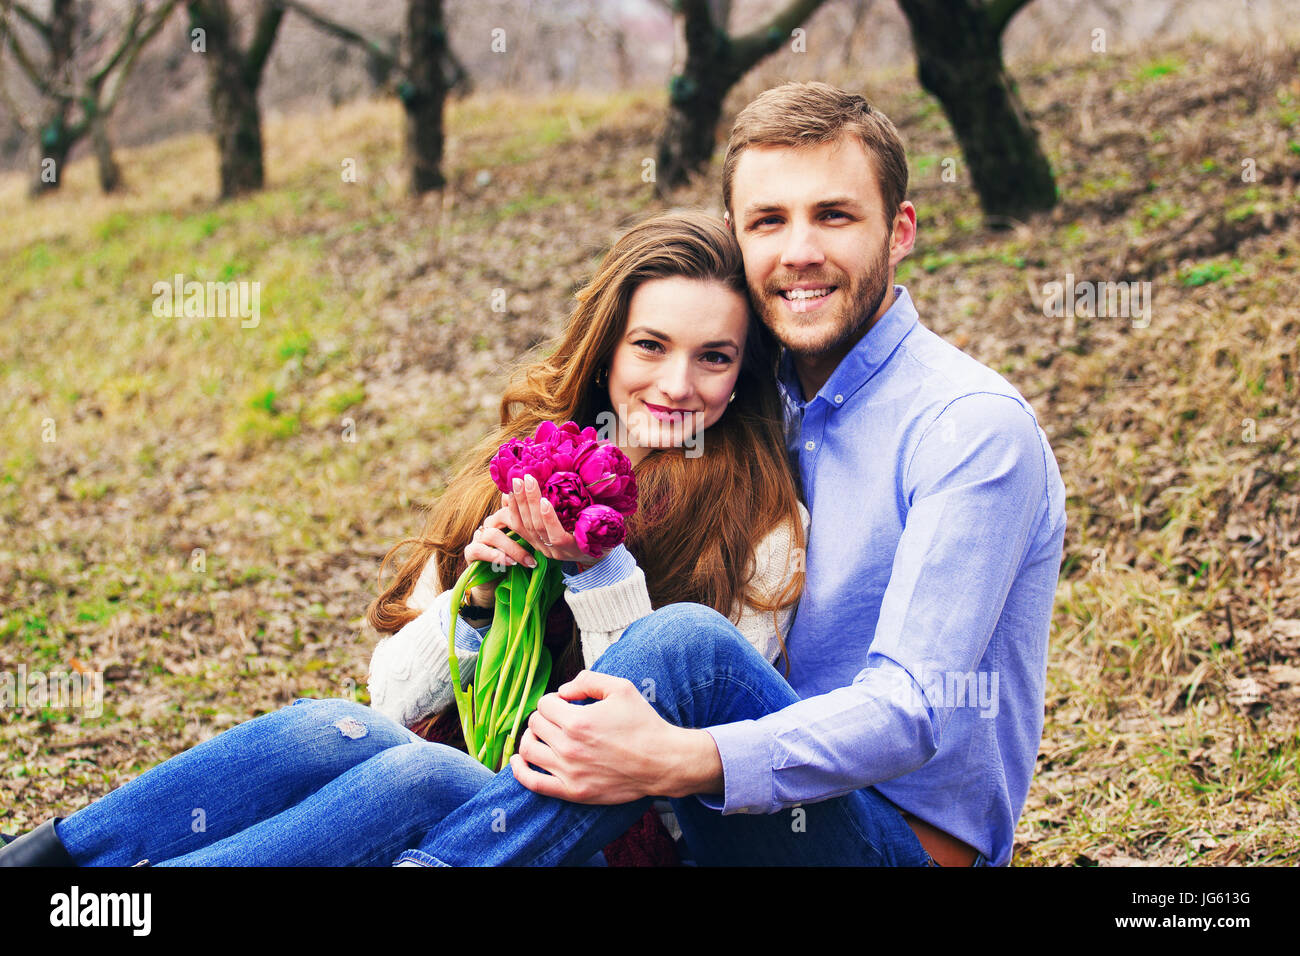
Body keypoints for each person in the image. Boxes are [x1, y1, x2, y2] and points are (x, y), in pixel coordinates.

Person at [385, 81, 1067, 868]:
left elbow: (908, 710)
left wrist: (687, 758)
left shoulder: (970, 428)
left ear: (900, 231)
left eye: (835, 215)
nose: (801, 251)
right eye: (769, 221)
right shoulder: (753, 401)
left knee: (685, 650)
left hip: (897, 845)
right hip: (734, 816)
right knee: (334, 745)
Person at [0, 212, 808, 867]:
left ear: (743, 373)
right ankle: (53, 861)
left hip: (590, 834)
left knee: (423, 773)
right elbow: (391, 695)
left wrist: (599, 573)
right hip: (455, 775)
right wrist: (478, 603)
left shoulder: (764, 524)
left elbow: (656, 761)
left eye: (714, 357)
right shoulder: (528, 461)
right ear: (606, 348)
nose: (676, 384)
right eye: (650, 345)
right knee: (331, 725)